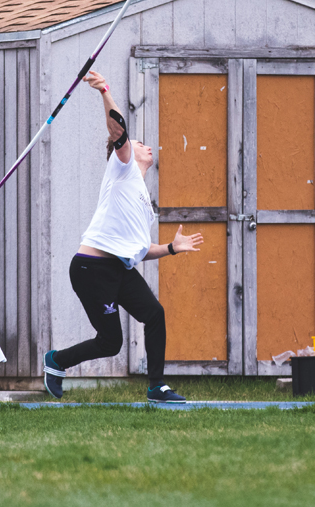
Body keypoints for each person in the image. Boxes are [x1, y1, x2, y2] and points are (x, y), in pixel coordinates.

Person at [43, 71, 204, 403]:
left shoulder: (144, 201)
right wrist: (104, 90)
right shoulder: (123, 167)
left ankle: (157, 386)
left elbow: (139, 250)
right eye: (139, 143)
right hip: (92, 268)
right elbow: (117, 128)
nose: (145, 146)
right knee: (110, 341)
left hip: (119, 269)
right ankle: (56, 361)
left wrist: (172, 248)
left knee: (153, 315)